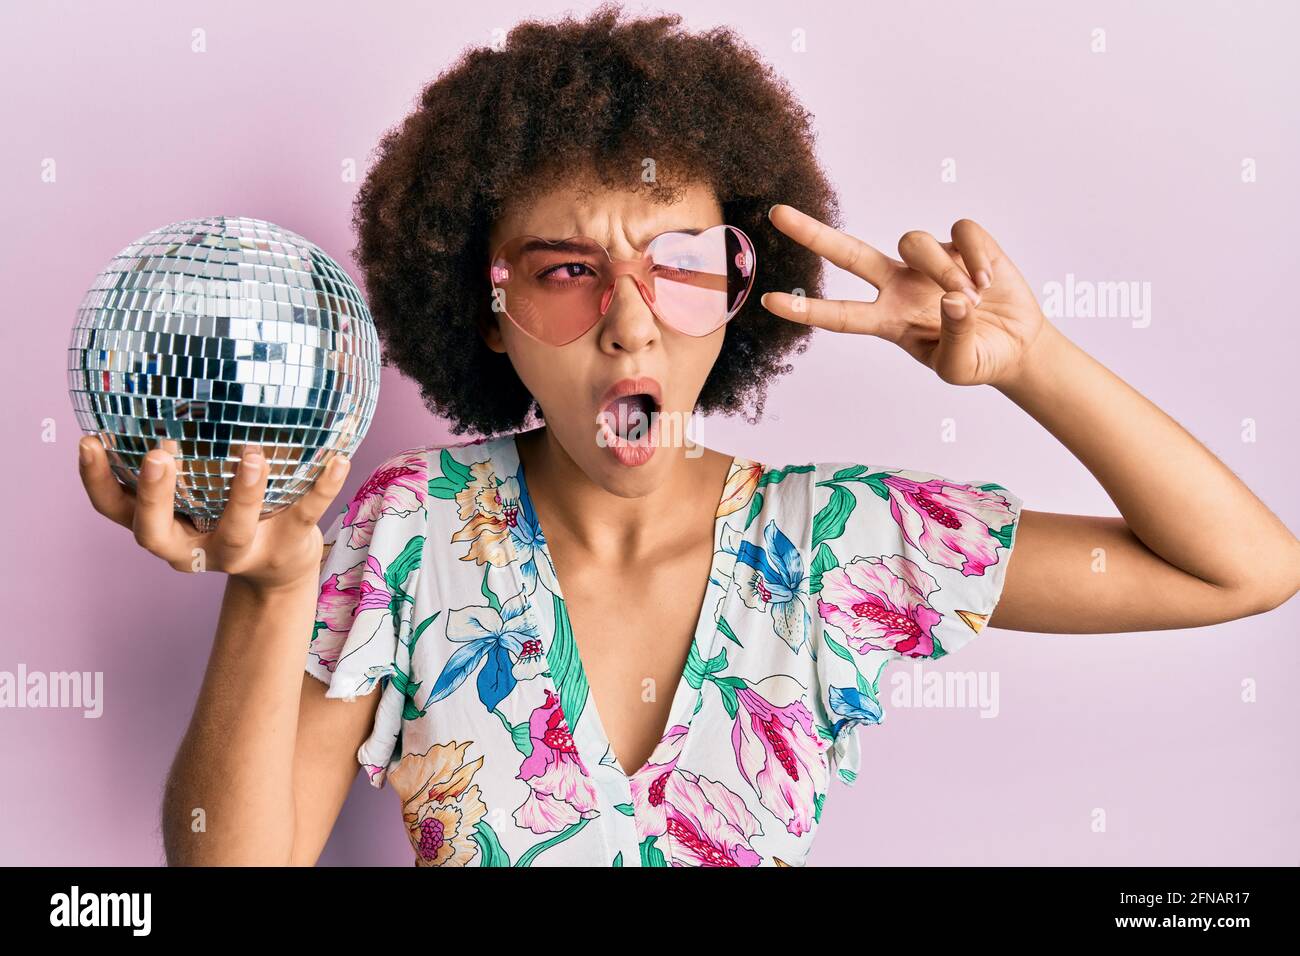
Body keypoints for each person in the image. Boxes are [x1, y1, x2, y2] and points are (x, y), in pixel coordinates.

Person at [77, 5, 1299, 867]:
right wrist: (270, 586)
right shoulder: (401, 535)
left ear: (735, 291)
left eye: (678, 267)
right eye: (566, 272)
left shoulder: (832, 547)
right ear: (488, 315)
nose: (629, 325)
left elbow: (1242, 565)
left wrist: (1035, 364)